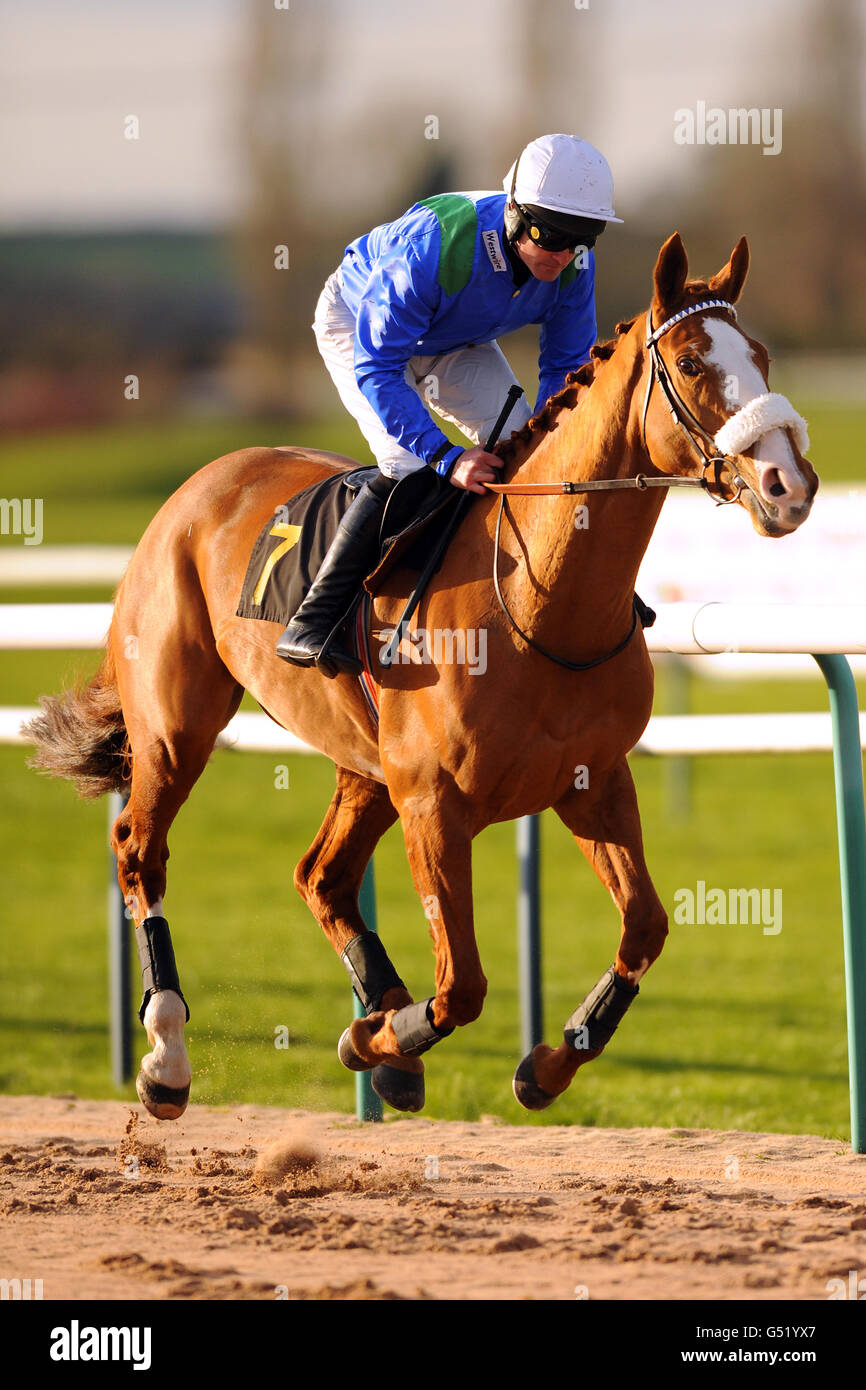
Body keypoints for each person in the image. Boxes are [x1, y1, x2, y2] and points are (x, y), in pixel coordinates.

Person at [276, 132, 622, 673]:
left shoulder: (573, 265)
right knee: (409, 466)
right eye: (549, 233)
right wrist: (446, 456)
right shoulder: (434, 247)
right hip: (362, 327)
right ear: (513, 212)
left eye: (583, 238)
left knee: (529, 454)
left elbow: (563, 370)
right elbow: (378, 365)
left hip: (454, 339)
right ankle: (314, 618)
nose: (561, 254)